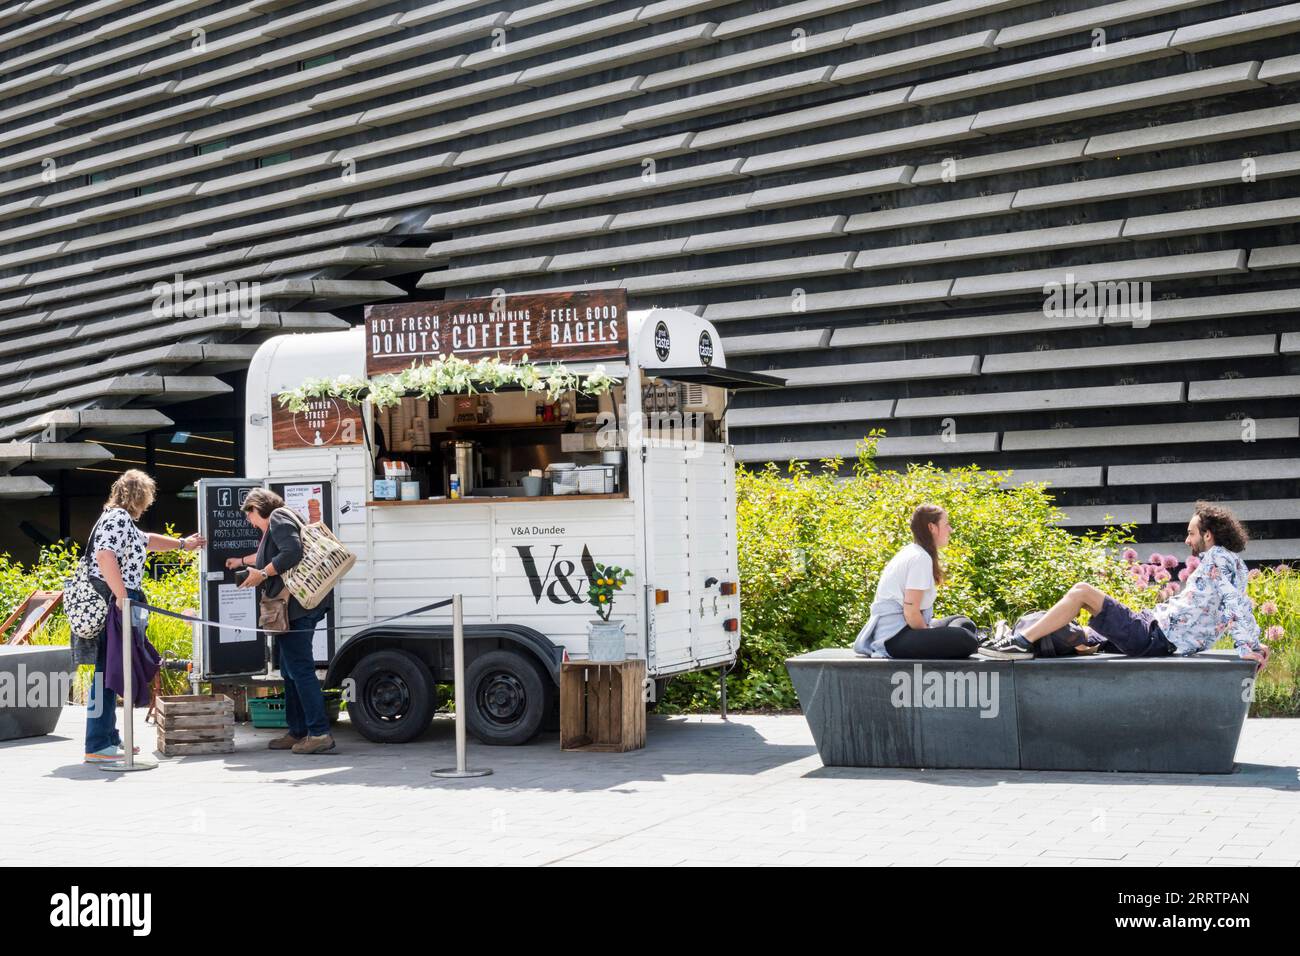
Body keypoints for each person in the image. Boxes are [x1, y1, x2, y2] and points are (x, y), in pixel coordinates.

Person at [979, 502, 1270, 668]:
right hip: (1152, 626)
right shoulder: (1231, 563)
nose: (1186, 540)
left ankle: (1018, 643)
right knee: (1080, 636)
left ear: (1208, 535)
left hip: (1156, 638)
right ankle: (1011, 637)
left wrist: (1246, 648)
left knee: (1082, 591)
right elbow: (1238, 603)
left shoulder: (1218, 559)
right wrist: (1253, 644)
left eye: (1191, 533)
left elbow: (1235, 604)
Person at [83, 469, 205, 763]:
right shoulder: (116, 519)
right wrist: (123, 597)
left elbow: (146, 540)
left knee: (113, 671)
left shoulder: (120, 521)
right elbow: (104, 555)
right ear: (141, 496)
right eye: (148, 497)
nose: (149, 503)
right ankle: (97, 743)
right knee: (106, 672)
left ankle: (108, 738)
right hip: (115, 600)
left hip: (120, 597)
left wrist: (182, 544)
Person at [229, 489, 337, 754]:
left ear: (257, 508)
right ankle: (298, 730)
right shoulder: (282, 521)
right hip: (298, 607)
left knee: (299, 669)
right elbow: (279, 553)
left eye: (250, 516)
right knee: (290, 670)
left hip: (297, 608)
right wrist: (250, 566)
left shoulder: (277, 517)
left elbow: (292, 553)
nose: (250, 522)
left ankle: (319, 733)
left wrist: (262, 574)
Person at [852, 503, 983, 659]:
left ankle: (965, 637)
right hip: (894, 638)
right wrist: (930, 636)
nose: (950, 530)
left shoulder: (915, 552)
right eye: (946, 524)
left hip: (906, 628)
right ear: (932, 527)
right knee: (965, 640)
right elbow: (911, 613)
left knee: (964, 623)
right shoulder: (920, 558)